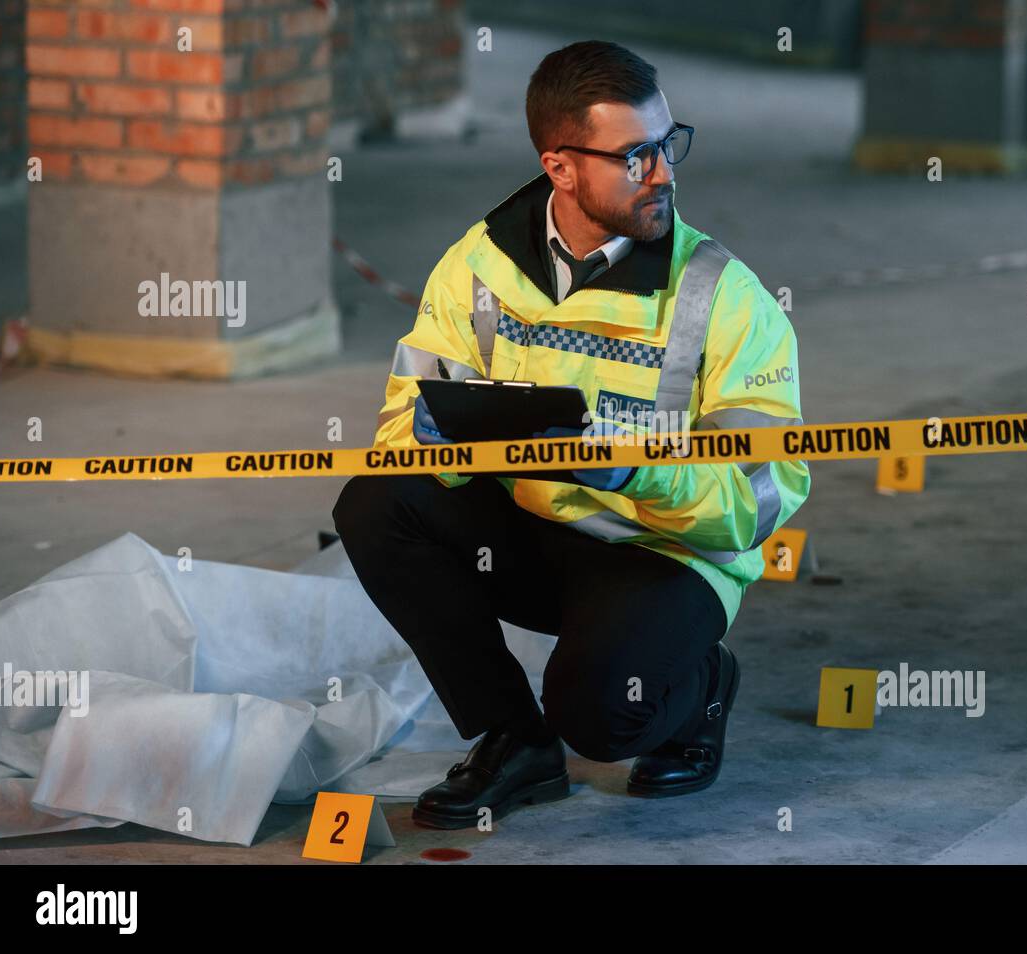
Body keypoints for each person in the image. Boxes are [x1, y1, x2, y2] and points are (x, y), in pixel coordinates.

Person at [332, 40, 810, 829]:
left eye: (667, 143)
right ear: (560, 167)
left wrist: (628, 472)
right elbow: (402, 431)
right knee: (378, 505)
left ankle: (700, 688)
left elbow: (755, 506)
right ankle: (514, 740)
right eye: (635, 156)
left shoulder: (725, 297)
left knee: (599, 720)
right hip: (537, 531)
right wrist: (464, 438)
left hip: (667, 554)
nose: (664, 172)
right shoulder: (478, 264)